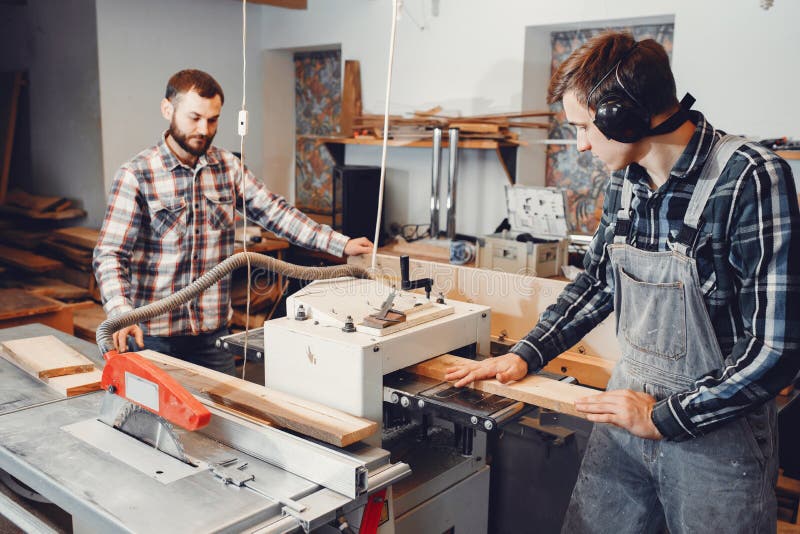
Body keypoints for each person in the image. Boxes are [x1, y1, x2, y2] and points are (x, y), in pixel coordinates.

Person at [445, 31, 799, 532]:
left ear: (624, 116)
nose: (581, 144)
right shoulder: (625, 181)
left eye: (584, 127)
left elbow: (777, 349)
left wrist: (663, 417)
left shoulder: (749, 178)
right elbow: (597, 283)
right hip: (625, 416)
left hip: (715, 436)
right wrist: (526, 353)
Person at [93, 69, 373, 376]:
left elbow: (276, 212)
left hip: (212, 337)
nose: (204, 129)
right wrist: (121, 313)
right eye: (194, 118)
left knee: (224, 408)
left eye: (212, 120)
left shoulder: (228, 167)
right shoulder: (136, 174)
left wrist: (341, 244)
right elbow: (110, 254)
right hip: (152, 336)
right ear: (167, 109)